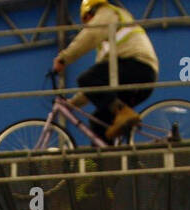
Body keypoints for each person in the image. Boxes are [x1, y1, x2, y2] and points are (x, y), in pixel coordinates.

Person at [53, 0, 159, 142]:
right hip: (134, 76)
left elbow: (89, 36)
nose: (86, 25)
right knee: (98, 122)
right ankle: (99, 163)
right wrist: (74, 103)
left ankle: (122, 112)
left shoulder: (107, 13)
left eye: (86, 20)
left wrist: (63, 59)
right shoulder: (108, 44)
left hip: (136, 67)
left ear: (90, 12)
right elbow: (98, 86)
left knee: (85, 79)